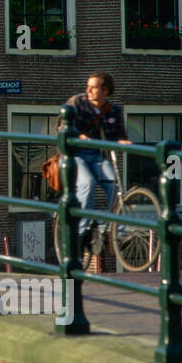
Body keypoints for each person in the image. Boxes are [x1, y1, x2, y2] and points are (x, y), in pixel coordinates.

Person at [65, 73, 130, 242]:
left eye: (93, 87)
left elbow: (119, 135)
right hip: (76, 155)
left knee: (116, 186)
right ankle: (81, 232)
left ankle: (119, 231)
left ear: (105, 90)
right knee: (88, 183)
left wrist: (124, 142)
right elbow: (61, 127)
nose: (88, 90)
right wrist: (78, 136)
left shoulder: (113, 110)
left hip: (98, 155)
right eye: (88, 86)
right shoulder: (77, 102)